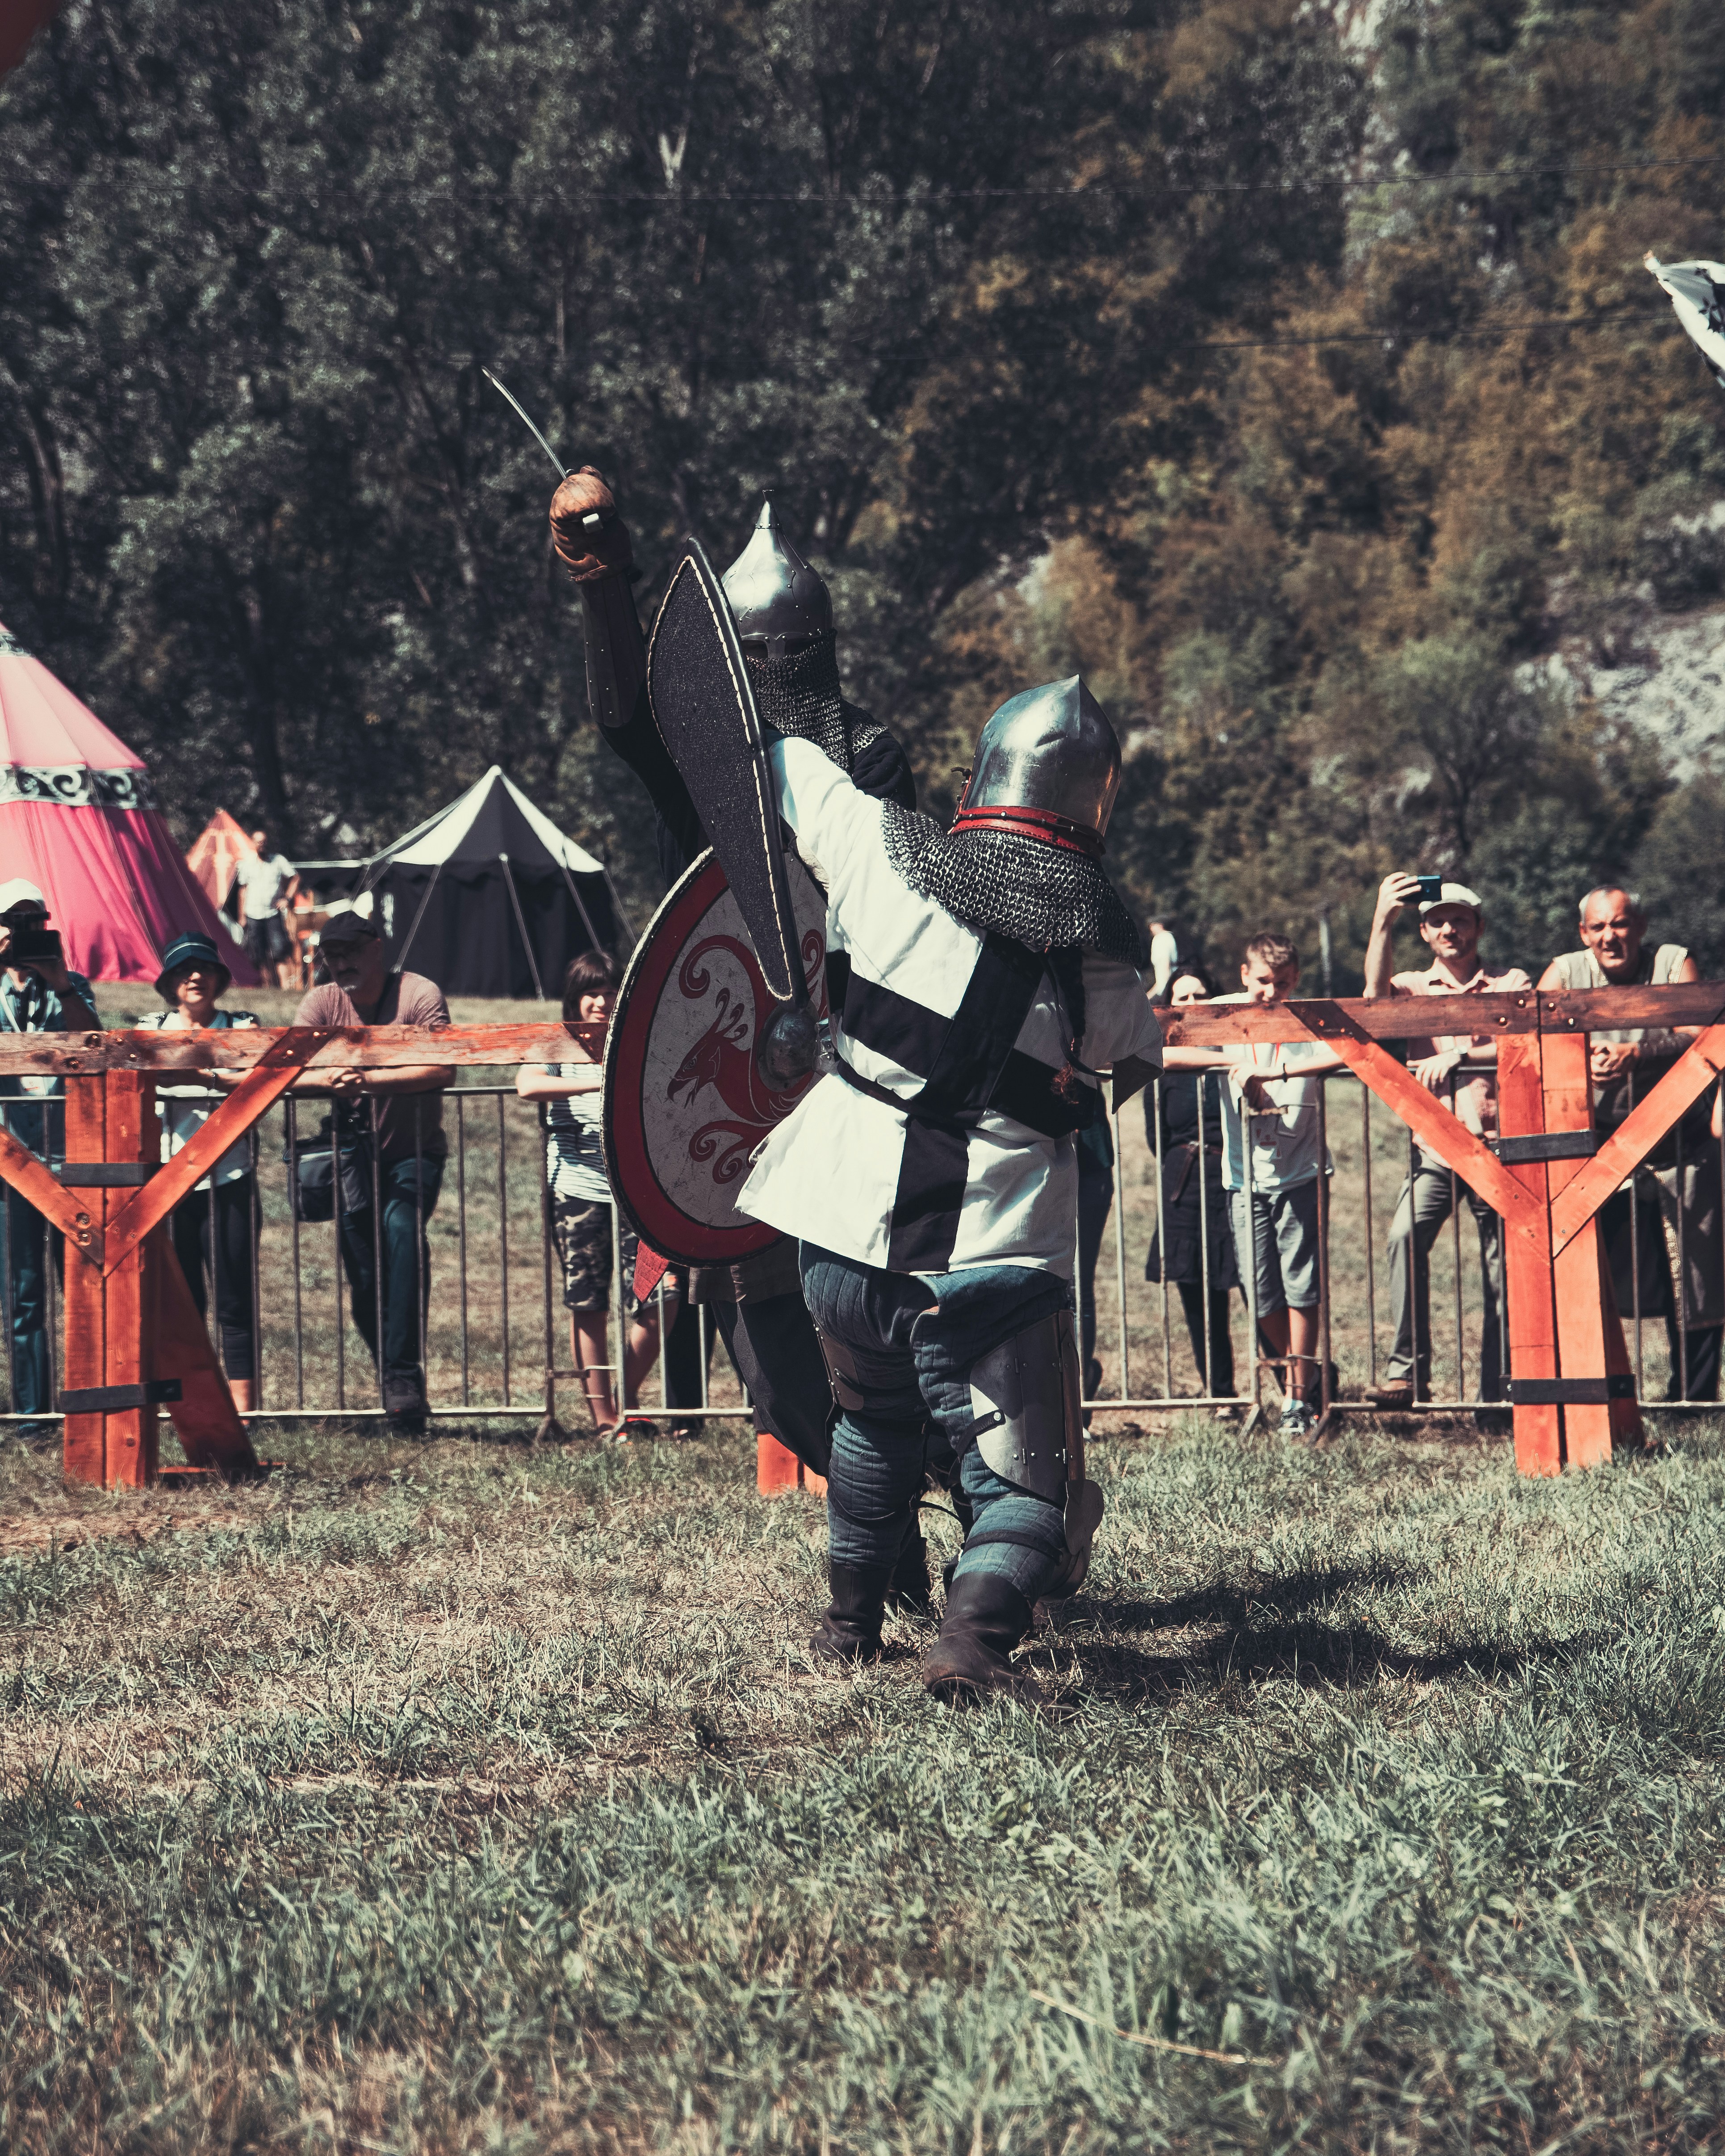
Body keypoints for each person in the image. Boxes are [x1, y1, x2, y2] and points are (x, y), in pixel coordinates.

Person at [732, 674, 1163, 1702]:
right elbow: (1126, 1057)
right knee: (1024, 1491)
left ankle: (848, 1627)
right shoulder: (1095, 960)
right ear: (1095, 808)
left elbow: (778, 766)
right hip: (984, 1258)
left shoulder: (883, 851)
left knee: (870, 1423)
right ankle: (969, 1648)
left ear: (983, 775)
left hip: (840, 1233)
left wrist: (786, 687)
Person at [551, 473, 927, 1577]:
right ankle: (898, 1535)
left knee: (870, 1333)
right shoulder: (697, 765)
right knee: (773, 1366)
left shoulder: (872, 758)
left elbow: (895, 905)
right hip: (738, 1092)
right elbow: (623, 715)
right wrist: (602, 580)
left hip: (852, 1079)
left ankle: (949, 1524)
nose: (764, 679)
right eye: (747, 660)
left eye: (775, 658)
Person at [1362, 875, 1532, 1423]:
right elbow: (1372, 1004)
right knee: (1403, 1237)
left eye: (1459, 918)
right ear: (1424, 932)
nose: (1449, 928)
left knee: (1502, 1270)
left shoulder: (1511, 980)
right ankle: (1406, 1372)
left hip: (1500, 1149)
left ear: (1479, 927)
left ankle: (1498, 1393)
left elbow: (1523, 1034)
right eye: (1438, 920)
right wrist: (1381, 920)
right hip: (1434, 1149)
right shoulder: (1412, 986)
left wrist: (1462, 1056)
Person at [1541, 887, 1721, 1400]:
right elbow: (1531, 1037)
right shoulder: (1564, 972)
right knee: (1586, 1271)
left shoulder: (1673, 962)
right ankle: (1596, 1392)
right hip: (1600, 1152)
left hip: (1679, 1145)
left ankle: (1694, 1397)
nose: (1609, 937)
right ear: (1583, 934)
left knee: (1697, 1276)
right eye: (1597, 928)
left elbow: (1697, 1031)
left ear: (1640, 927)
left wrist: (1635, 1053)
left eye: (1619, 925)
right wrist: (1581, 1061)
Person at [291, 901, 453, 1435]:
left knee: (403, 1234)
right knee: (362, 1272)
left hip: (414, 1152)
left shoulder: (419, 993)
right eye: (330, 955)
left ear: (377, 949)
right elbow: (289, 1070)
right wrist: (330, 1082)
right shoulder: (320, 1002)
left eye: (349, 952)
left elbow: (442, 1066)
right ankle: (396, 1380)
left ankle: (403, 1379)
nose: (340, 964)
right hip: (351, 1158)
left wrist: (365, 1077)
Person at [517, 951, 683, 1435]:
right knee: (587, 1302)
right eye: (591, 992)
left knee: (662, 1297)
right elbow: (527, 1085)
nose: (602, 1002)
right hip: (576, 1190)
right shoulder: (554, 1041)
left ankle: (626, 1400)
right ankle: (603, 1419)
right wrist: (603, 1083)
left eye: (610, 991)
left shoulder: (638, 1036)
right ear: (575, 997)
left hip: (639, 1196)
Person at [1208, 935, 1345, 1439]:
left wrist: (1277, 1069)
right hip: (1244, 1179)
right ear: (1244, 975)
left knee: (1301, 1284)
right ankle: (1302, 1377)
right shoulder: (1222, 1014)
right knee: (1260, 1290)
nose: (1272, 993)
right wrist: (1226, 1066)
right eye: (1263, 981)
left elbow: (1348, 1050)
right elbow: (1166, 1040)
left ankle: (1296, 1398)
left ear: (1296, 981)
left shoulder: (1306, 1017)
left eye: (1283, 984)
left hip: (1301, 1173)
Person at [135, 933, 261, 1411]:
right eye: (186, 970)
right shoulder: (152, 1024)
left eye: (206, 969)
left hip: (231, 1178)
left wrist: (194, 1074)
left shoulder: (243, 1024)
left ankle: (245, 1410)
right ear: (169, 981)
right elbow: (147, 1068)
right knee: (183, 1301)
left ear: (220, 979)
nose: (196, 977)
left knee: (235, 1297)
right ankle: (196, 1409)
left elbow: (252, 1079)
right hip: (170, 1183)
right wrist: (214, 1074)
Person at [0, 879, 100, 1443]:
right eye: (14, 922)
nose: (24, 933)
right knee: (22, 1292)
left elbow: (99, 1047)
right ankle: (33, 1420)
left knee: (82, 1288)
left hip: (69, 1157)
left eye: (34, 921)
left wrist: (61, 984)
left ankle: (88, 1410)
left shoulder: (71, 985)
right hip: (11, 1160)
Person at [1144, 962, 1244, 1412]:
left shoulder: (1239, 1047)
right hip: (1182, 1181)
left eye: (1199, 994)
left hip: (1230, 1175)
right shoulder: (1162, 1063)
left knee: (1248, 1283)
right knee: (1196, 1293)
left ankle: (1295, 1388)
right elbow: (1155, 1136)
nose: (1191, 1004)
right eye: (1181, 997)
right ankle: (1219, 1392)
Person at [237, 829, 298, 989]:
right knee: (258, 954)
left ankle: (286, 988)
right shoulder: (247, 863)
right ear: (253, 843)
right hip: (253, 914)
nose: (261, 845)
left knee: (280, 951)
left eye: (264, 841)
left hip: (273, 914)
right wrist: (242, 916)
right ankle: (267, 987)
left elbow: (295, 878)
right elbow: (243, 890)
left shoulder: (278, 861)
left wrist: (287, 898)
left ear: (267, 843)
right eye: (258, 842)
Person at [1147, 917, 1180, 998]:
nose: (1150, 928)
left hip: (1166, 990)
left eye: (1152, 925)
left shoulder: (1161, 938)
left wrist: (1166, 992)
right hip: (1169, 986)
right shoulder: (1169, 937)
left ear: (1160, 926)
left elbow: (1166, 965)